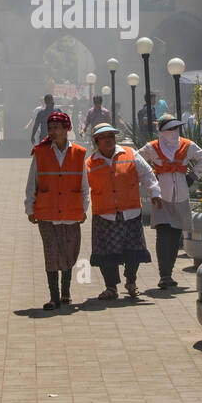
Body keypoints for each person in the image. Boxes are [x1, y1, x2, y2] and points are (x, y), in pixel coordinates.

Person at [88, 122, 160, 300]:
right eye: (103, 138)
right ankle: (111, 288)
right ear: (96, 141)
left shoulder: (130, 154)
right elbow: (83, 189)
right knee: (106, 254)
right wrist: (81, 210)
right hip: (105, 215)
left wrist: (155, 192)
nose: (108, 140)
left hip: (130, 212)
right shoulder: (90, 163)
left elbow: (147, 174)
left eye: (111, 136)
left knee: (133, 251)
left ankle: (131, 282)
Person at [25, 110, 89, 310]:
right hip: (46, 213)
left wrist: (83, 209)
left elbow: (85, 187)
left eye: (56, 128)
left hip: (71, 213)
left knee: (69, 253)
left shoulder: (79, 153)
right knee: (51, 253)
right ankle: (54, 297)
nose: (52, 132)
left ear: (66, 129)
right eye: (50, 128)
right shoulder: (40, 152)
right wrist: (29, 208)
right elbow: (31, 182)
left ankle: (66, 292)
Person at [139, 114, 202, 288]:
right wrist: (149, 178)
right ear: (161, 131)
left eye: (175, 128)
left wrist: (193, 176)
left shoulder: (187, 145)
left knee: (175, 235)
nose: (173, 132)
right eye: (169, 129)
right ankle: (164, 275)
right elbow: (136, 160)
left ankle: (168, 274)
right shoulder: (152, 147)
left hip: (181, 196)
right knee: (163, 234)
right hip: (161, 196)